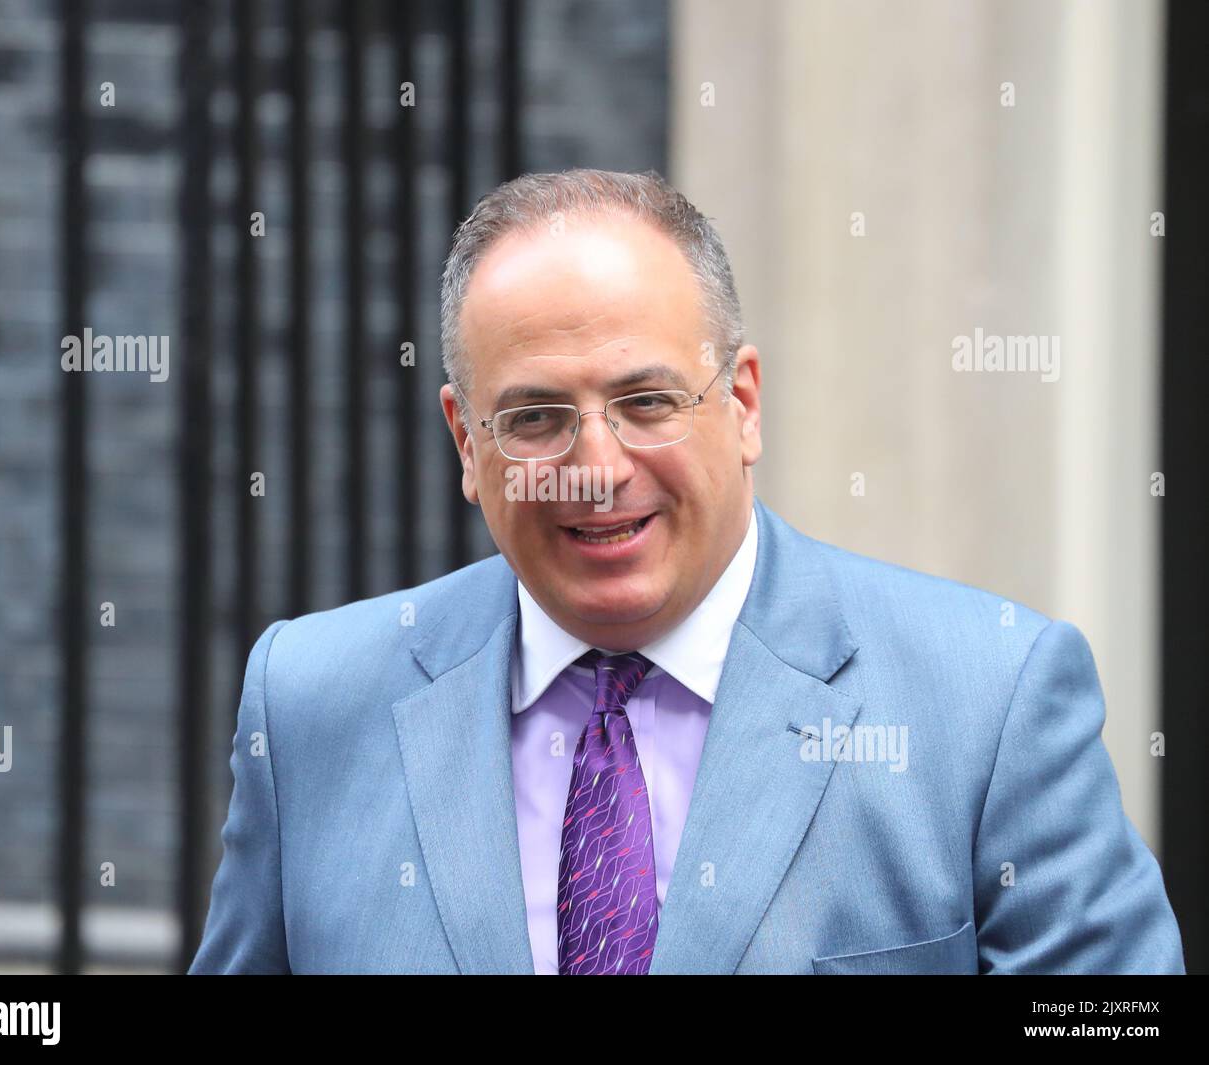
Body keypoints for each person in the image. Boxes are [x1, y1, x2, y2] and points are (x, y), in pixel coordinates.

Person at [190, 169, 1184, 974]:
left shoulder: (987, 702)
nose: (596, 468)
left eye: (647, 400)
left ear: (742, 404)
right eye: (535, 417)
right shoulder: (314, 700)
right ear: (464, 439)